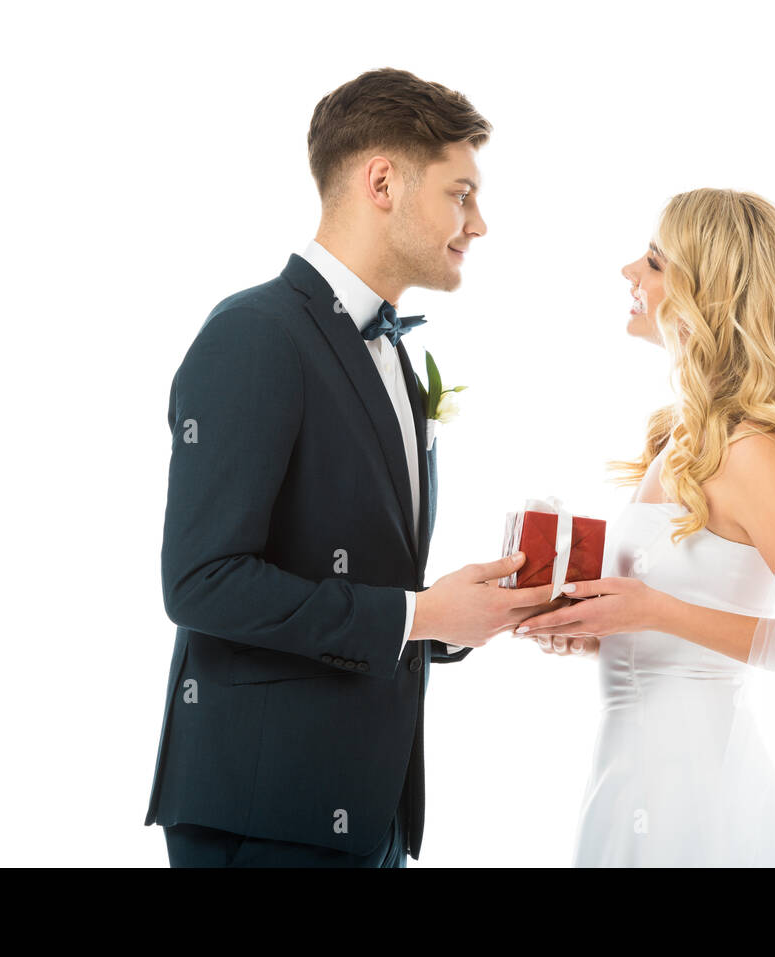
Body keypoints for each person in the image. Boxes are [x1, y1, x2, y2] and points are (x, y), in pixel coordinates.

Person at [143, 67, 558, 867]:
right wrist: (419, 615)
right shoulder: (255, 334)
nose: (479, 224)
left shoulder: (394, 359)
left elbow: (359, 585)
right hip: (264, 815)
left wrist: (462, 614)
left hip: (373, 812)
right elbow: (201, 582)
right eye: (461, 193)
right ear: (381, 182)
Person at [517, 189, 775, 866]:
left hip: (693, 796)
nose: (629, 271)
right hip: (628, 774)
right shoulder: (679, 436)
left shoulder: (751, 450)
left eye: (655, 261)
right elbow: (667, 624)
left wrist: (655, 609)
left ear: (707, 293)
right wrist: (598, 628)